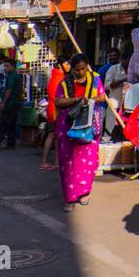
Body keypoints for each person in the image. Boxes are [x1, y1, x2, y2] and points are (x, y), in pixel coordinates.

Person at [53, 55, 105, 212]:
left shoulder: (95, 79)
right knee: (68, 162)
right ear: (72, 69)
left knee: (87, 160)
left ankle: (83, 191)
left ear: (87, 67)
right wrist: (76, 99)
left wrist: (91, 99)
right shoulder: (64, 82)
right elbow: (58, 101)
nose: (81, 72)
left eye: (83, 69)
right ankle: (69, 199)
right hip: (68, 125)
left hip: (89, 124)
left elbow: (102, 96)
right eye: (77, 69)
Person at [39, 56, 68, 171]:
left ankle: (56, 162)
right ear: (60, 65)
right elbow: (56, 97)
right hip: (55, 111)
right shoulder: (58, 78)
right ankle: (44, 161)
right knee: (52, 135)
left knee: (56, 136)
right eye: (66, 64)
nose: (68, 66)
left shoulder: (57, 77)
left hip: (54, 110)